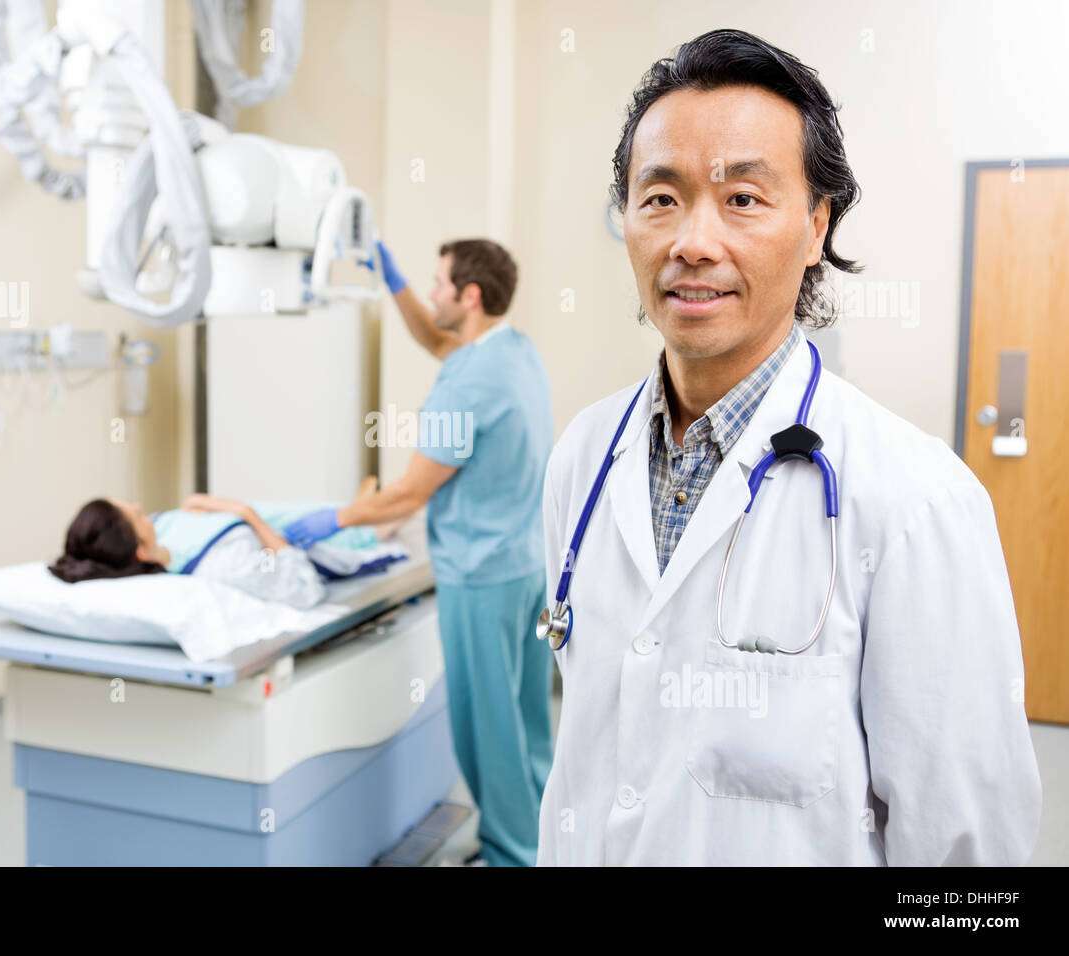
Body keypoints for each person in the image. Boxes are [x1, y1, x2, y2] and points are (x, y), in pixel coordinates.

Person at [537, 28, 1040, 865]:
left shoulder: (914, 501)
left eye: (742, 199)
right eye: (660, 197)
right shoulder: (584, 460)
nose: (693, 241)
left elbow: (966, 851)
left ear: (815, 226)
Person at [283, 238, 555, 866]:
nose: (429, 293)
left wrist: (330, 518)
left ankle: (510, 855)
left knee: (486, 731)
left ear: (470, 296)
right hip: (527, 568)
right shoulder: (513, 352)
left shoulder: (465, 387)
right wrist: (394, 282)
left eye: (436, 283)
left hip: (479, 578)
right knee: (525, 723)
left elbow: (407, 494)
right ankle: (543, 841)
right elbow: (436, 341)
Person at [48, 489, 407, 608]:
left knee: (334, 508)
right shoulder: (223, 568)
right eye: (140, 516)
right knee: (373, 527)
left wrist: (194, 507)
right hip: (297, 542)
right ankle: (391, 510)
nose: (148, 515)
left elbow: (169, 522)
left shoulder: (157, 532)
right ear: (139, 552)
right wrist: (246, 515)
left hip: (266, 520)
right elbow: (302, 585)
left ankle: (368, 503)